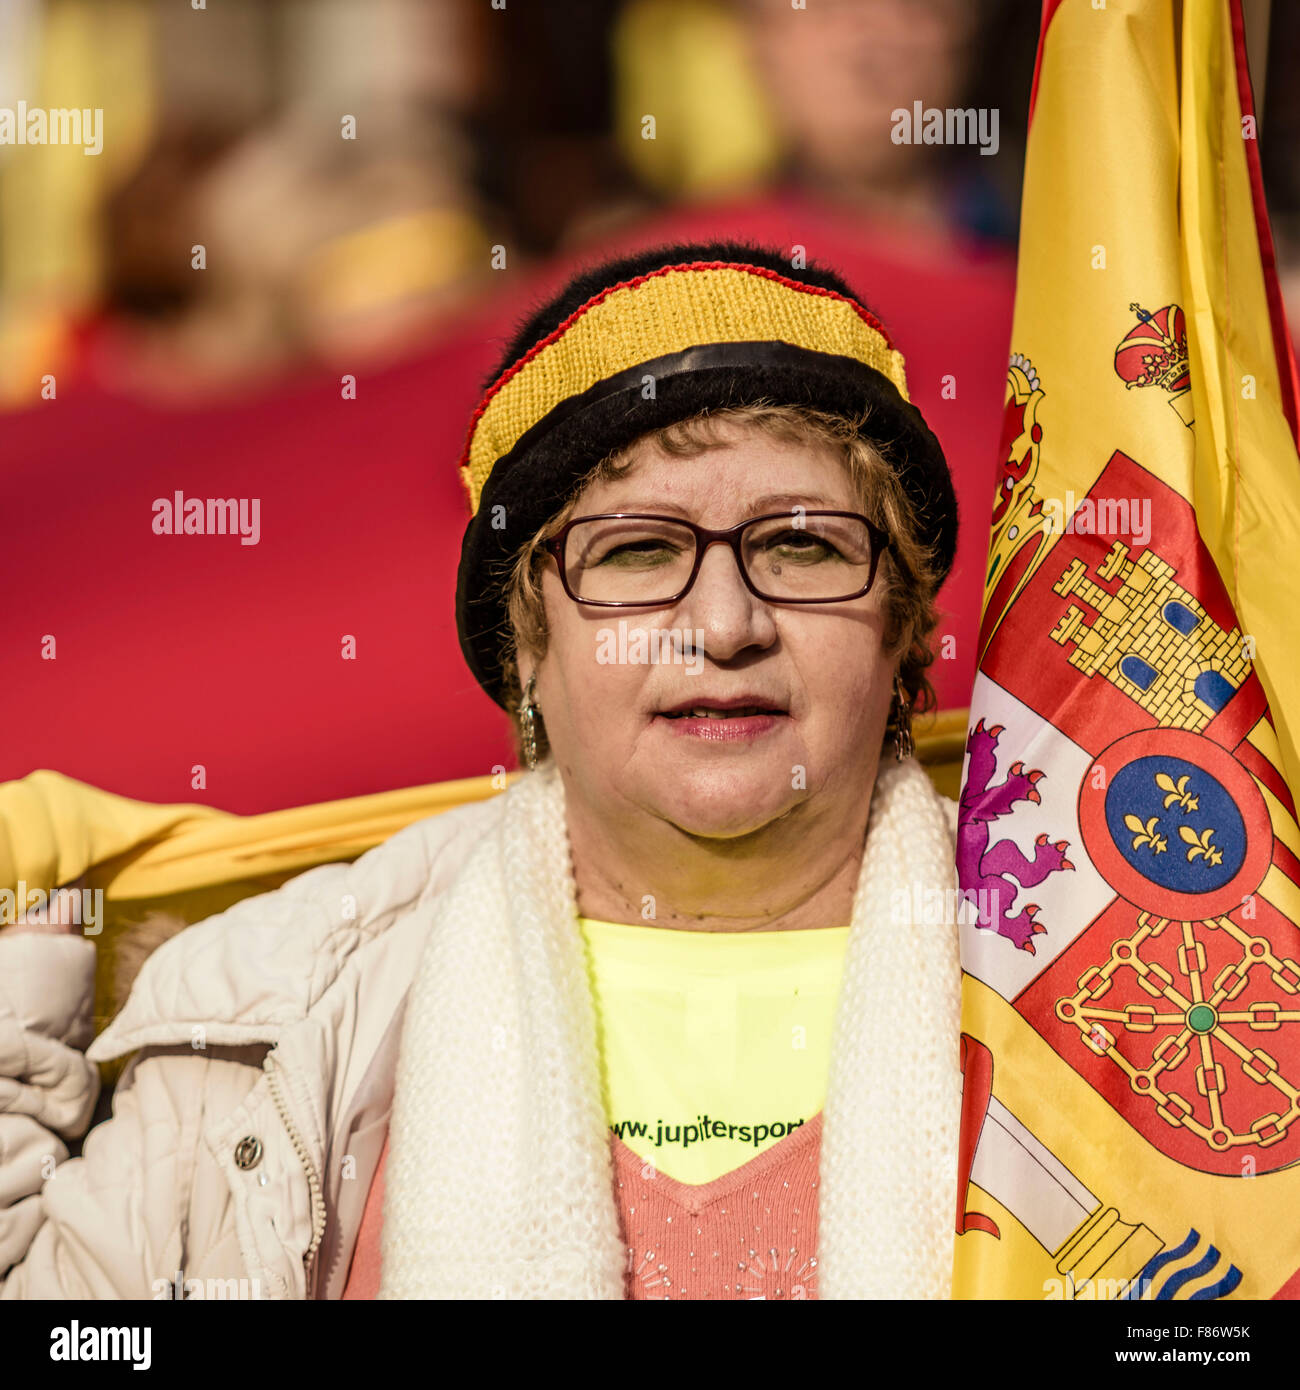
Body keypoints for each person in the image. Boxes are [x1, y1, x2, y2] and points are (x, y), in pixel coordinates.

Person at [0, 240, 965, 1300]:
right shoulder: (256, 1018)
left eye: (802, 546)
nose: (724, 624)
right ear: (528, 650)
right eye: (638, 552)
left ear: (901, 625)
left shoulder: (1097, 986)